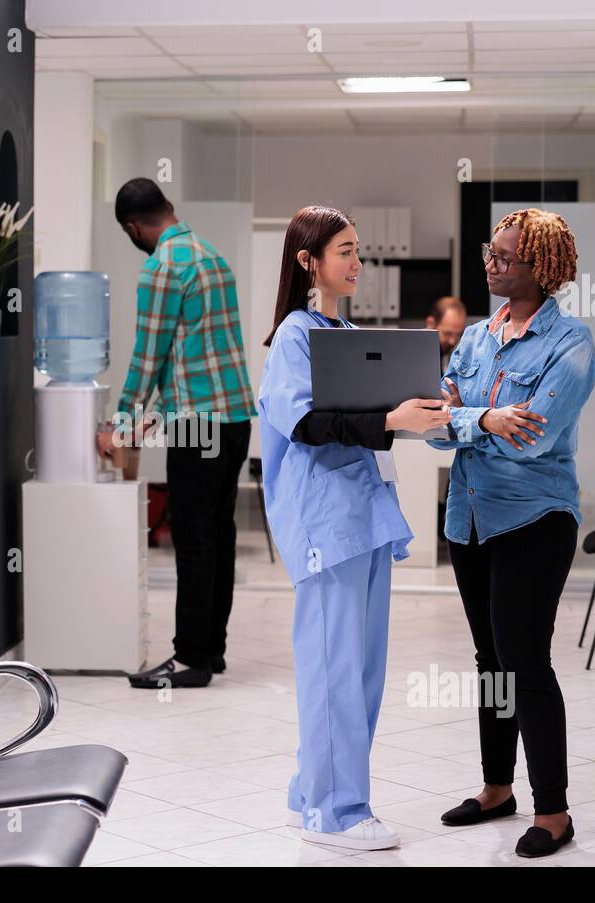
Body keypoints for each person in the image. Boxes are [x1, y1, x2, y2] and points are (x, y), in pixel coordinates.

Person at [260, 205, 450, 850]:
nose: (357, 262)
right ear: (307, 260)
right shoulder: (295, 336)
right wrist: (391, 421)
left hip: (363, 516)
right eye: (344, 251)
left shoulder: (340, 330)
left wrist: (420, 408)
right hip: (326, 523)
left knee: (362, 671)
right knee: (332, 669)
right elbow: (307, 423)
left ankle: (310, 791)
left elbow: (363, 413)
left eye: (358, 250)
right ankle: (336, 814)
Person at [428, 207, 595, 858]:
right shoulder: (475, 337)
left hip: (534, 518)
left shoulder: (570, 344)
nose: (491, 264)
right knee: (489, 661)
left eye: (504, 257)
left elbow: (532, 439)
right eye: (489, 252)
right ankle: (497, 787)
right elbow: (432, 422)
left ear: (541, 267)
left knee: (524, 660)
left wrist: (469, 419)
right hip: (469, 517)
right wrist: (485, 419)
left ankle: (553, 812)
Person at [101, 178, 256, 690]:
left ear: (133, 227)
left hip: (198, 425)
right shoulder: (212, 257)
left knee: (192, 540)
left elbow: (149, 355)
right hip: (234, 418)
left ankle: (190, 659)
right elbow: (196, 355)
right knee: (219, 535)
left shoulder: (162, 267)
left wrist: (121, 423)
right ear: (168, 206)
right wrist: (155, 415)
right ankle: (212, 650)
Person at [425, 295, 467, 373]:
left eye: (458, 334)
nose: (452, 341)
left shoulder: (454, 354)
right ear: (431, 323)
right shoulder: (414, 354)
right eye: (447, 334)